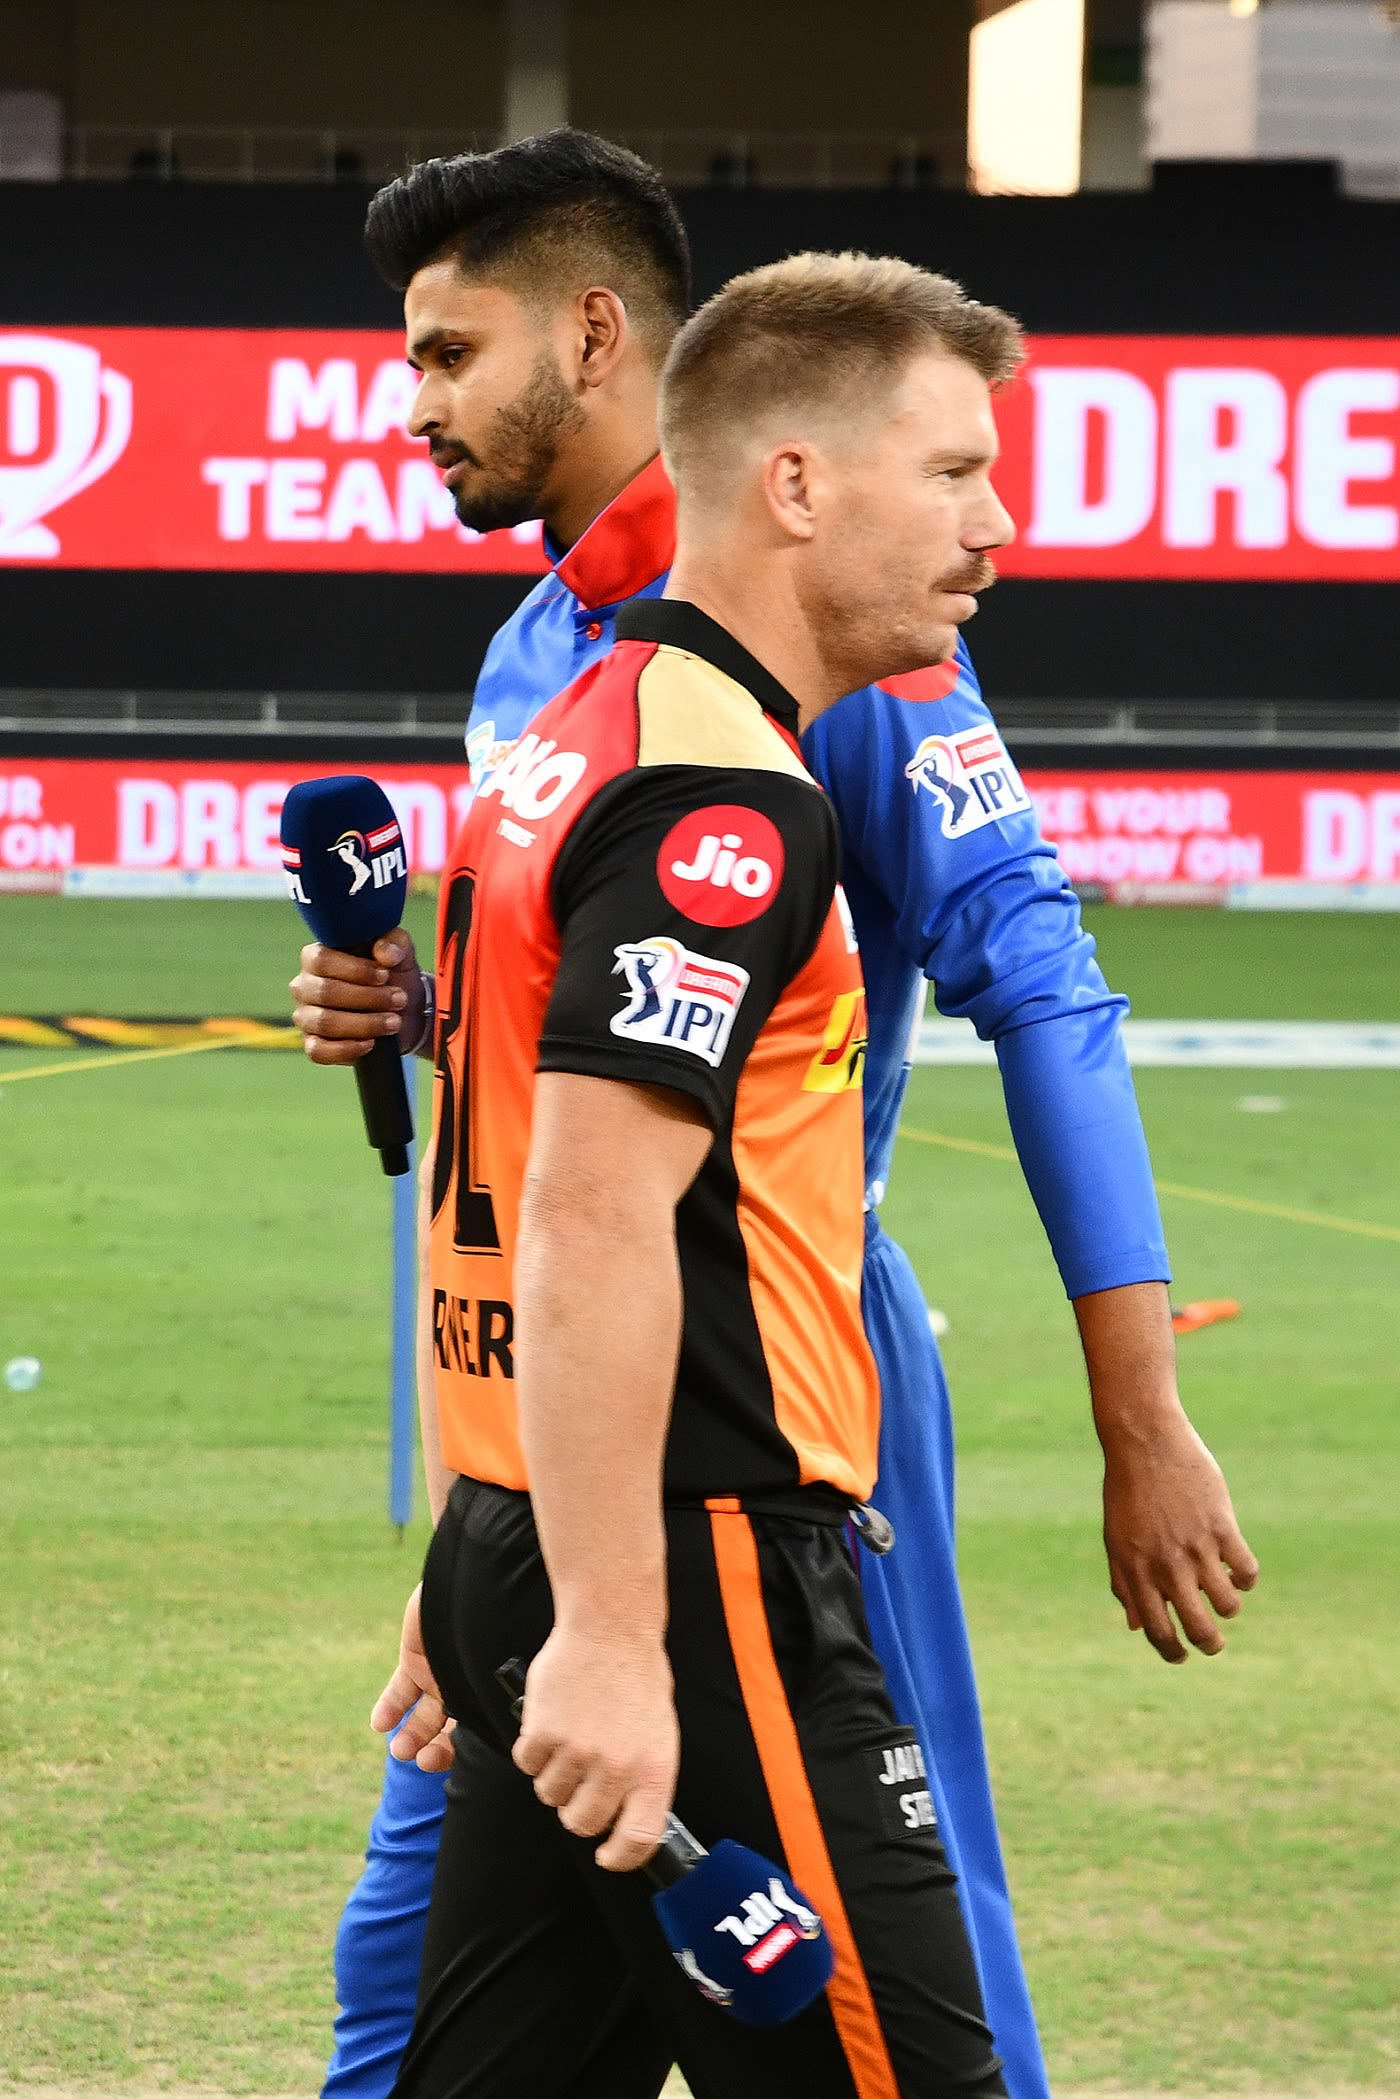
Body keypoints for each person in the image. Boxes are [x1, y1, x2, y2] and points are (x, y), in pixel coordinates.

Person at [289, 133, 1257, 2099]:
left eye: (441, 356)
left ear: (590, 335)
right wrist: (416, 1007)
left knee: (898, 1925)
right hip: (558, 1391)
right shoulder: (547, 660)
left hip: (767, 1368)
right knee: (418, 1977)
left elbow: (1041, 989)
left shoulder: (850, 651)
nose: (412, 410)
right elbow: (545, 1137)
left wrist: (1136, 1413)